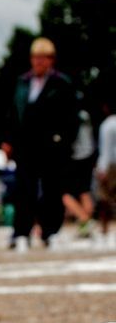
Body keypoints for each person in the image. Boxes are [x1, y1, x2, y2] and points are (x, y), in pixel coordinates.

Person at [2, 37, 79, 249]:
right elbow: (12, 114)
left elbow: (71, 117)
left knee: (52, 189)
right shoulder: (22, 83)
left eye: (43, 58)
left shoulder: (61, 83)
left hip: (51, 146)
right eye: (35, 58)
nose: (38, 62)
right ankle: (21, 231)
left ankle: (50, 230)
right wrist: (8, 140)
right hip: (25, 145)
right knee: (23, 189)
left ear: (51, 60)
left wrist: (64, 141)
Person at [63, 106, 97, 238]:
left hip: (75, 157)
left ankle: (85, 219)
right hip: (89, 155)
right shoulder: (86, 113)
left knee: (63, 193)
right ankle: (85, 226)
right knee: (84, 191)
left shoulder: (71, 113)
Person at [96, 98, 116, 237]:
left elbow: (106, 148)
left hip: (111, 165)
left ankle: (104, 228)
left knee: (104, 197)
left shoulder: (107, 125)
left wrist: (102, 168)